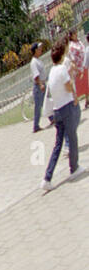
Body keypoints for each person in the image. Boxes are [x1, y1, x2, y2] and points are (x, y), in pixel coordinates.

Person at [40, 38, 85, 191]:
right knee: (72, 138)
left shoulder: (53, 71)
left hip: (58, 109)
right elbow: (68, 86)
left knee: (58, 144)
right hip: (67, 107)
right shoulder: (61, 70)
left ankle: (47, 176)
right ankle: (74, 167)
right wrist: (74, 96)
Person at [31, 41, 47, 132]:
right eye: (39, 48)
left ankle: (51, 117)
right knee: (38, 106)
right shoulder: (34, 62)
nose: (40, 50)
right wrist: (40, 84)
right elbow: (36, 76)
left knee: (45, 102)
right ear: (35, 50)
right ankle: (35, 126)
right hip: (38, 86)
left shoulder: (38, 60)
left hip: (42, 84)